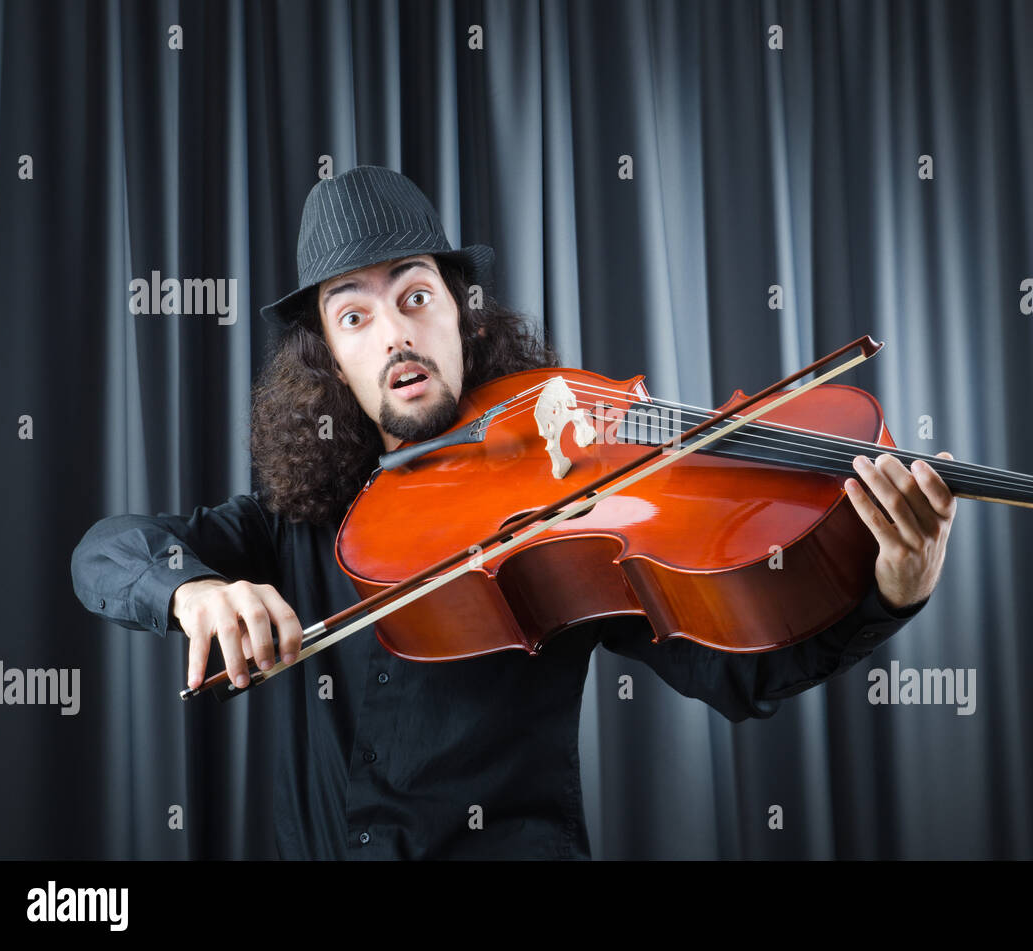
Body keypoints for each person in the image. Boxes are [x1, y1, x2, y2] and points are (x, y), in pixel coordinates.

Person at [71, 165, 956, 859]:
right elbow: (105, 552)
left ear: (461, 316)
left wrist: (887, 587)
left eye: (415, 296)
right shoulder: (292, 523)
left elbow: (741, 673)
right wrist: (192, 593)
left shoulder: (559, 505)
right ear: (332, 365)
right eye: (355, 317)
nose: (396, 334)